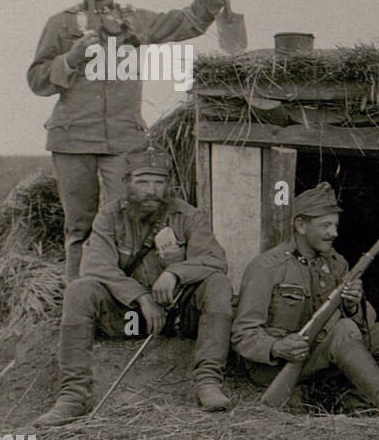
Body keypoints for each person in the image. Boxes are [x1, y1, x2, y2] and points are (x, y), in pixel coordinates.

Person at [27, 0, 235, 279]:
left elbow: (190, 21)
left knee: (123, 222)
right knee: (79, 229)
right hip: (72, 140)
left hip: (122, 142)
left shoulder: (133, 21)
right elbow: (37, 81)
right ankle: (80, 302)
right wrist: (71, 59)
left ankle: (120, 299)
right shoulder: (61, 24)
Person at [37, 149, 234, 426]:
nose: (151, 190)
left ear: (168, 185)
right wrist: (141, 296)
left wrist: (175, 273)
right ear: (127, 182)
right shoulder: (109, 216)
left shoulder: (188, 216)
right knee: (80, 290)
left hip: (178, 318)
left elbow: (215, 260)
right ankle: (73, 395)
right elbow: (96, 267)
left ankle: (208, 383)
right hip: (130, 318)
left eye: (159, 182)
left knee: (218, 284)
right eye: (142, 181)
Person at [231, 183, 379, 415]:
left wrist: (352, 304)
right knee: (343, 329)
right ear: (301, 225)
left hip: (319, 354)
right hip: (276, 366)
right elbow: (242, 334)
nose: (334, 233)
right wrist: (277, 347)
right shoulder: (266, 267)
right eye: (325, 225)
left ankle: (354, 399)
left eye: (335, 225)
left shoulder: (337, 264)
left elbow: (364, 327)